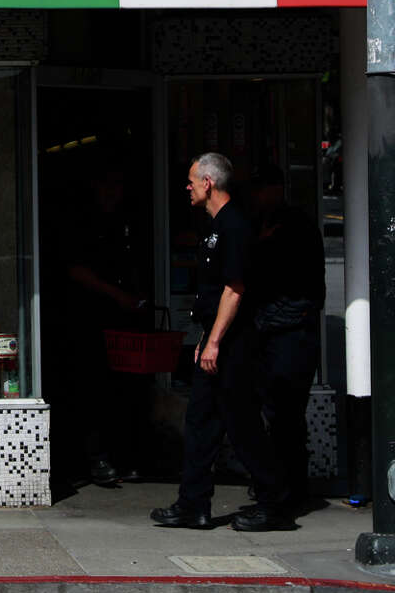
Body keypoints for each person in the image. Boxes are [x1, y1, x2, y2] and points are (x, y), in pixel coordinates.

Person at [150, 153, 289, 532]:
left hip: (234, 344)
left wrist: (213, 343)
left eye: (192, 181)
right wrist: (203, 341)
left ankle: (273, 503)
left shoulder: (235, 226)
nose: (188, 187)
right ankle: (193, 505)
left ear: (208, 183)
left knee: (241, 424)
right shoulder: (214, 226)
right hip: (214, 341)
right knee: (201, 422)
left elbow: (234, 289)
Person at [65, 168, 153, 487]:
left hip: (123, 320)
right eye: (109, 184)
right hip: (89, 319)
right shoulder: (83, 222)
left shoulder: (125, 223)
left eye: (119, 185)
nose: (114, 192)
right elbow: (75, 270)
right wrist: (116, 295)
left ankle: (124, 455)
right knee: (92, 388)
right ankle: (94, 456)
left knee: (123, 389)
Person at [246, 171, 326, 515]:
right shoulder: (284, 224)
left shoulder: (288, 228)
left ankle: (287, 489)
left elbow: (283, 279)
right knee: (284, 416)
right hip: (285, 329)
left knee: (284, 416)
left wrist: (259, 246)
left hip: (288, 330)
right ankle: (286, 486)